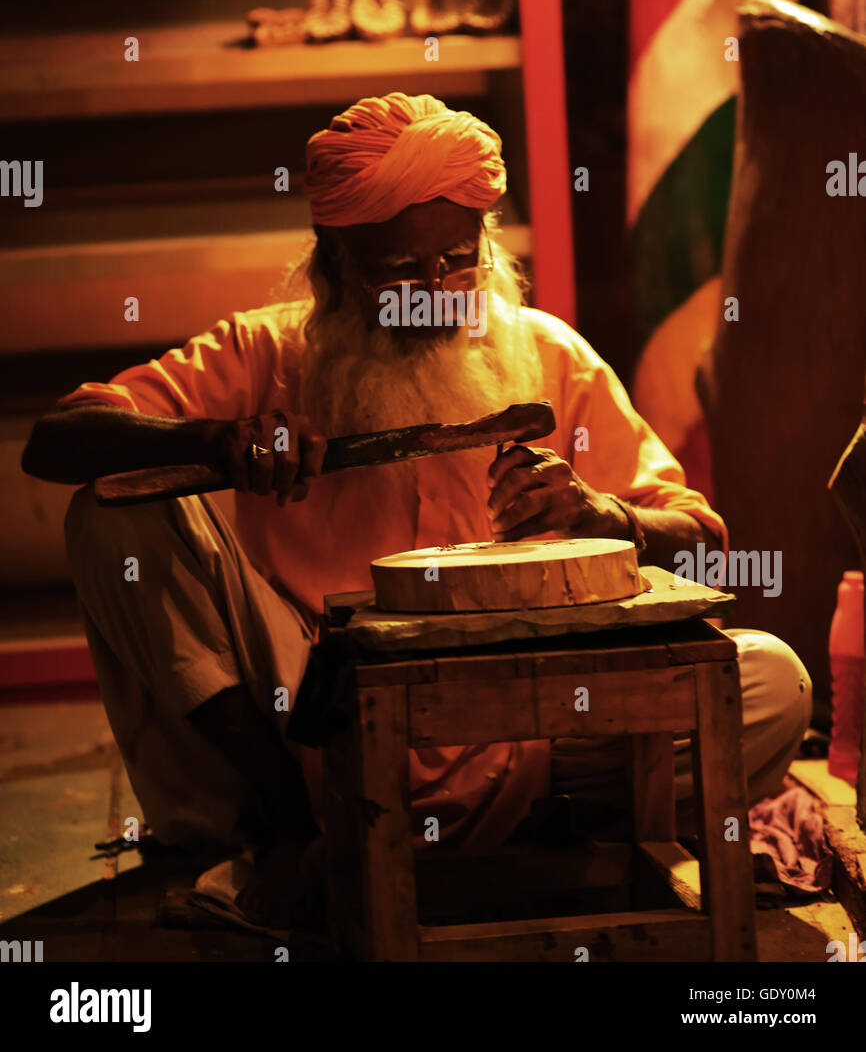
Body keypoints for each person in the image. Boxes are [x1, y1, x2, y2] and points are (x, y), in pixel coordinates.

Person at [22, 91, 811, 929]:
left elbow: (701, 548)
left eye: (457, 261)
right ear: (334, 263)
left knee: (771, 682)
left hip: (529, 733)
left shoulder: (548, 356)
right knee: (110, 515)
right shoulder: (263, 353)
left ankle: (533, 839)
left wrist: (606, 516)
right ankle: (294, 839)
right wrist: (216, 444)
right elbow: (58, 439)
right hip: (315, 726)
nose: (436, 293)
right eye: (398, 271)